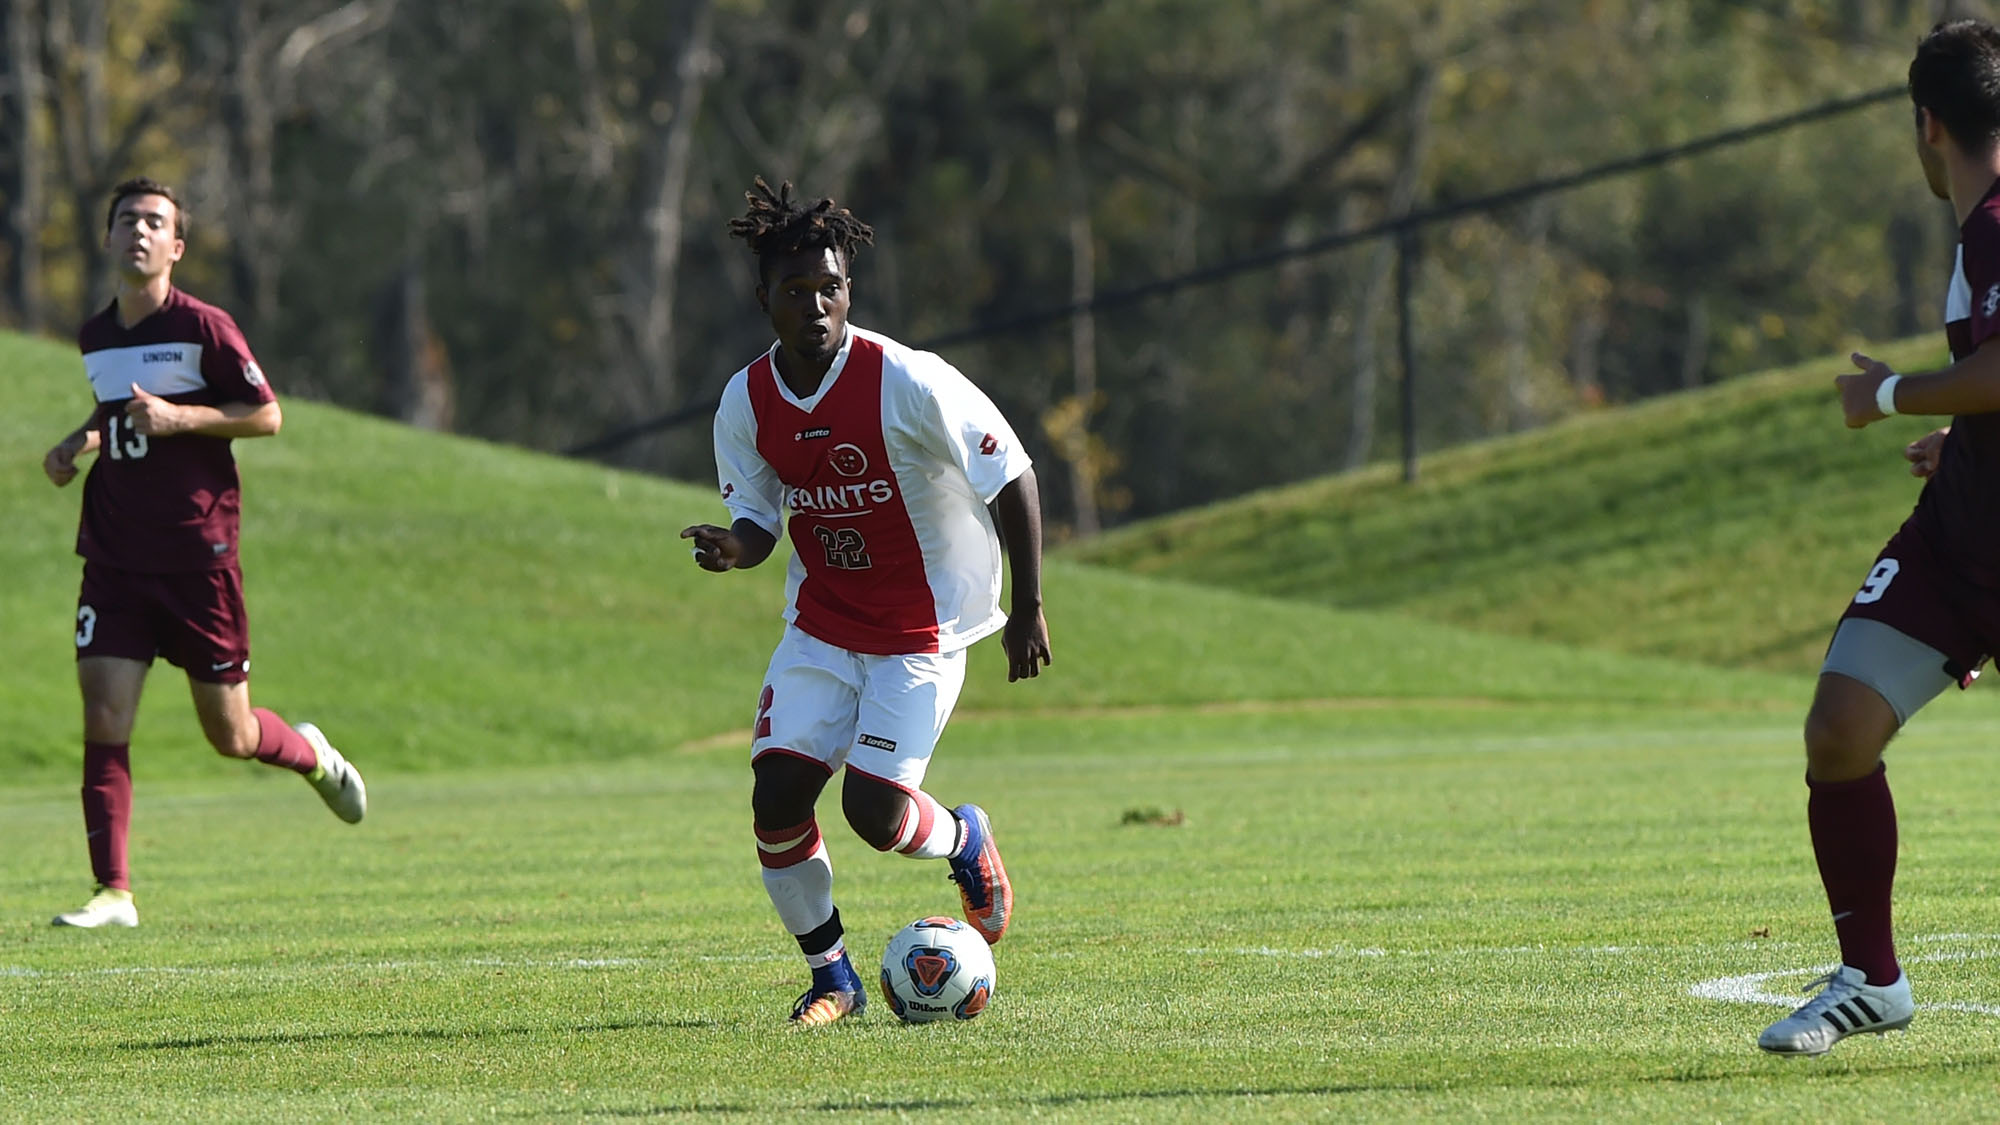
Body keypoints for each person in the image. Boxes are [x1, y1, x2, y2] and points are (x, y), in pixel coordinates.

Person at [681, 178, 1052, 1027]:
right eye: (796, 291)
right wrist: (739, 546)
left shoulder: (908, 382)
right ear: (764, 297)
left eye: (831, 288)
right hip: (820, 625)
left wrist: (1028, 606)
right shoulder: (746, 400)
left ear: (850, 289)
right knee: (775, 797)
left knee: (873, 814)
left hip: (920, 630)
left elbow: (1015, 473)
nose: (816, 305)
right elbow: (759, 513)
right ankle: (832, 979)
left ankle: (964, 838)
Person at [1758, 21, 2000, 1056]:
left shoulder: (1996, 222)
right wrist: (1960, 436)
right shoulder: (1981, 227)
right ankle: (1871, 980)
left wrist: (1888, 395)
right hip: (1962, 541)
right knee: (1839, 727)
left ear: (1923, 124)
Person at [39, 177, 366, 930]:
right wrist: (79, 442)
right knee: (104, 712)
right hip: (115, 555)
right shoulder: (96, 335)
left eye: (156, 222)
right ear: (109, 238)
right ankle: (113, 891)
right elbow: (117, 409)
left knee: (232, 735)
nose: (140, 232)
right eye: (127, 221)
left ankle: (312, 754)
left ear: (176, 247)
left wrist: (180, 418)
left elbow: (267, 414)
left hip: (197, 556)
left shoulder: (206, 327)